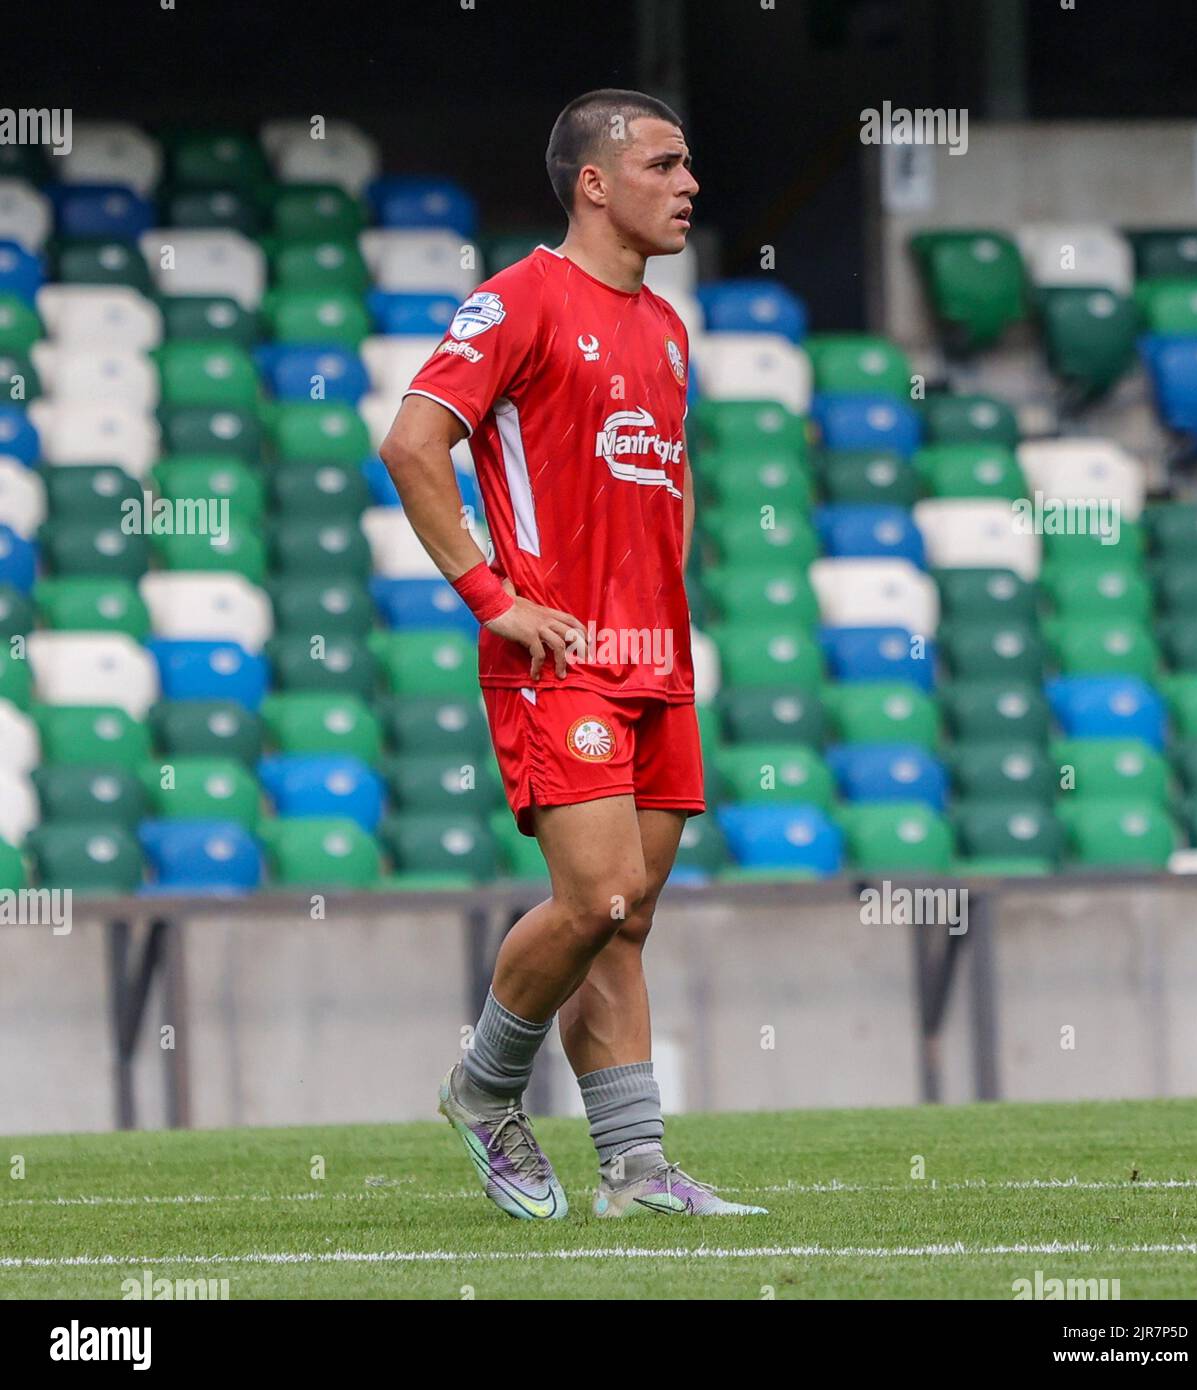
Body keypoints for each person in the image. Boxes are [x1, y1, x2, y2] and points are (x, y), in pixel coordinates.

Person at [379, 88, 765, 1220]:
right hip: (562, 659)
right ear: (594, 182)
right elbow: (411, 443)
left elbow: (669, 478)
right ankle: (483, 1086)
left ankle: (636, 1170)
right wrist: (492, 598)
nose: (688, 184)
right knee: (594, 896)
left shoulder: (668, 328)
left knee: (628, 918)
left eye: (687, 166)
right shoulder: (516, 303)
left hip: (655, 659)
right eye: (664, 163)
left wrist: (665, 598)